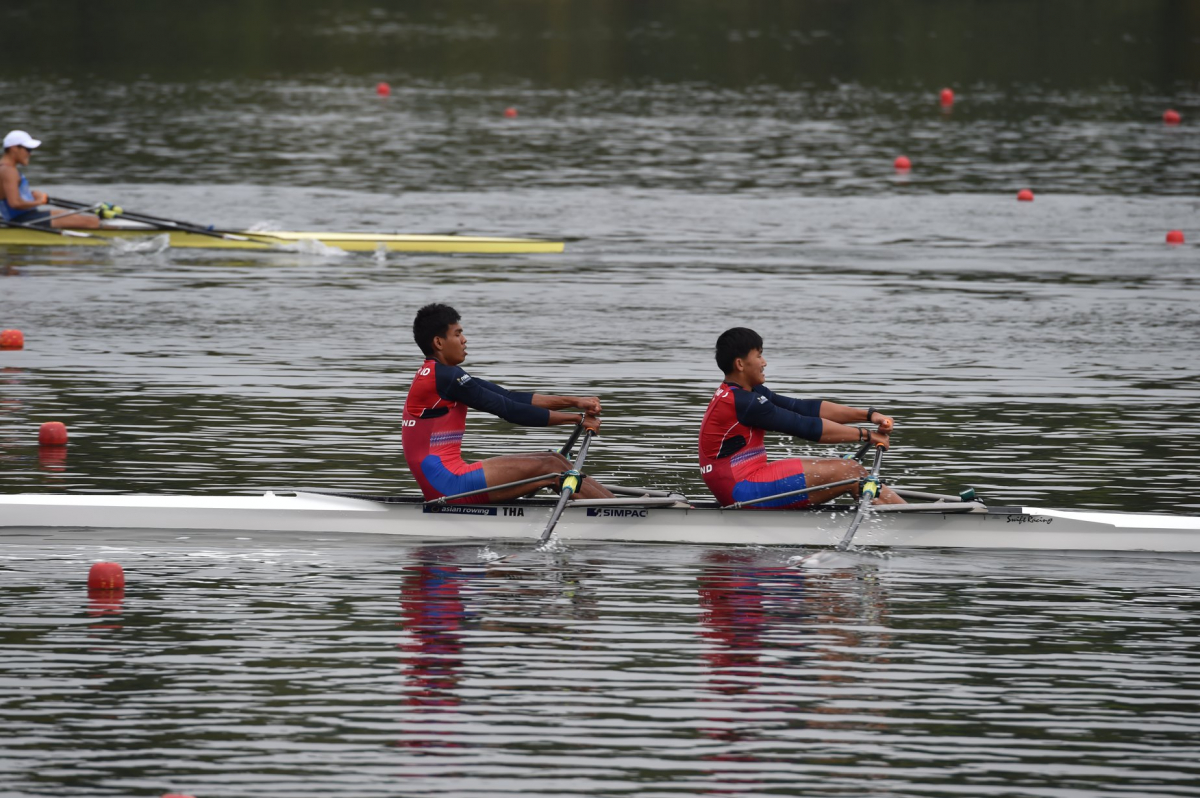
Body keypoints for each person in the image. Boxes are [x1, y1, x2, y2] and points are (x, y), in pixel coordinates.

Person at [403, 303, 614, 504]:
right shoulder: (445, 377)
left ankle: (616, 506)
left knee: (557, 461)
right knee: (551, 466)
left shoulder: (442, 376)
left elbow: (510, 397)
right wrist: (577, 420)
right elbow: (510, 411)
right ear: (439, 343)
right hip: (447, 484)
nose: (464, 340)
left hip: (445, 478)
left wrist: (575, 402)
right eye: (457, 334)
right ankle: (621, 513)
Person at [699, 327, 905, 508]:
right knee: (851, 471)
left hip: (743, 480)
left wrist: (870, 416)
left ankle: (894, 515)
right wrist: (867, 436)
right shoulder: (743, 402)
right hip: (740, 489)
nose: (764, 362)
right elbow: (803, 426)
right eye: (759, 355)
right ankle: (912, 521)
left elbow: (802, 408)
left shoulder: (747, 393)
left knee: (850, 471)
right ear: (740, 364)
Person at [0, 130, 100, 229]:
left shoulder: (5, 168)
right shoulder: (8, 171)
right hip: (23, 220)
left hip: (28, 216)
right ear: (14, 148)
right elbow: (15, 203)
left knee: (75, 216)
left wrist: (31, 195)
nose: (30, 154)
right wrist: (39, 201)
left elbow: (10, 196)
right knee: (90, 221)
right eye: (28, 149)